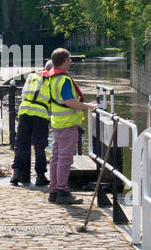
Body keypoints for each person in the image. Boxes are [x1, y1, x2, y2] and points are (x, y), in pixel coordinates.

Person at [41, 48, 97, 205]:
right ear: (65, 60)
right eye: (70, 59)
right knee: (65, 159)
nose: (71, 62)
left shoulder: (52, 78)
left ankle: (53, 191)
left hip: (57, 123)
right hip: (67, 125)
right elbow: (69, 102)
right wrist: (88, 106)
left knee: (56, 158)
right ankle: (63, 191)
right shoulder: (63, 80)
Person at [11, 63, 53, 188]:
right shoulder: (52, 81)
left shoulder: (32, 76)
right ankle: (40, 176)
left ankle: (17, 173)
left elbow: (24, 93)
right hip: (40, 114)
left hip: (24, 111)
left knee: (21, 144)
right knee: (40, 146)